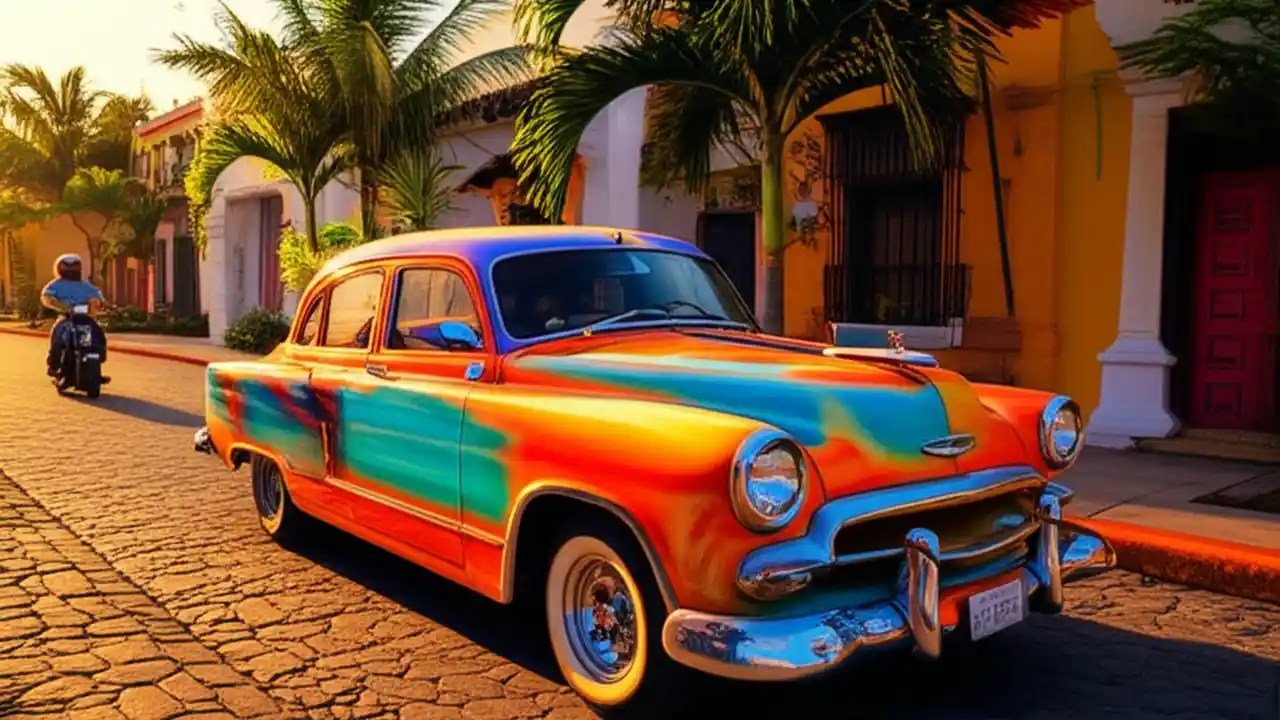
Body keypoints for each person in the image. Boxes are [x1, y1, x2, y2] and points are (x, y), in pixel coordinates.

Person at [40, 254, 105, 377]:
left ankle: (97, 361)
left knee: (97, 332)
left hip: (85, 317)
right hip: (66, 317)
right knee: (58, 333)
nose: (71, 271)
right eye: (68, 268)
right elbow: (47, 296)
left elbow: (97, 296)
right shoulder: (55, 284)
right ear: (60, 269)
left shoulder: (85, 285)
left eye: (74, 268)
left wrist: (99, 303)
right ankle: (54, 364)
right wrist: (55, 303)